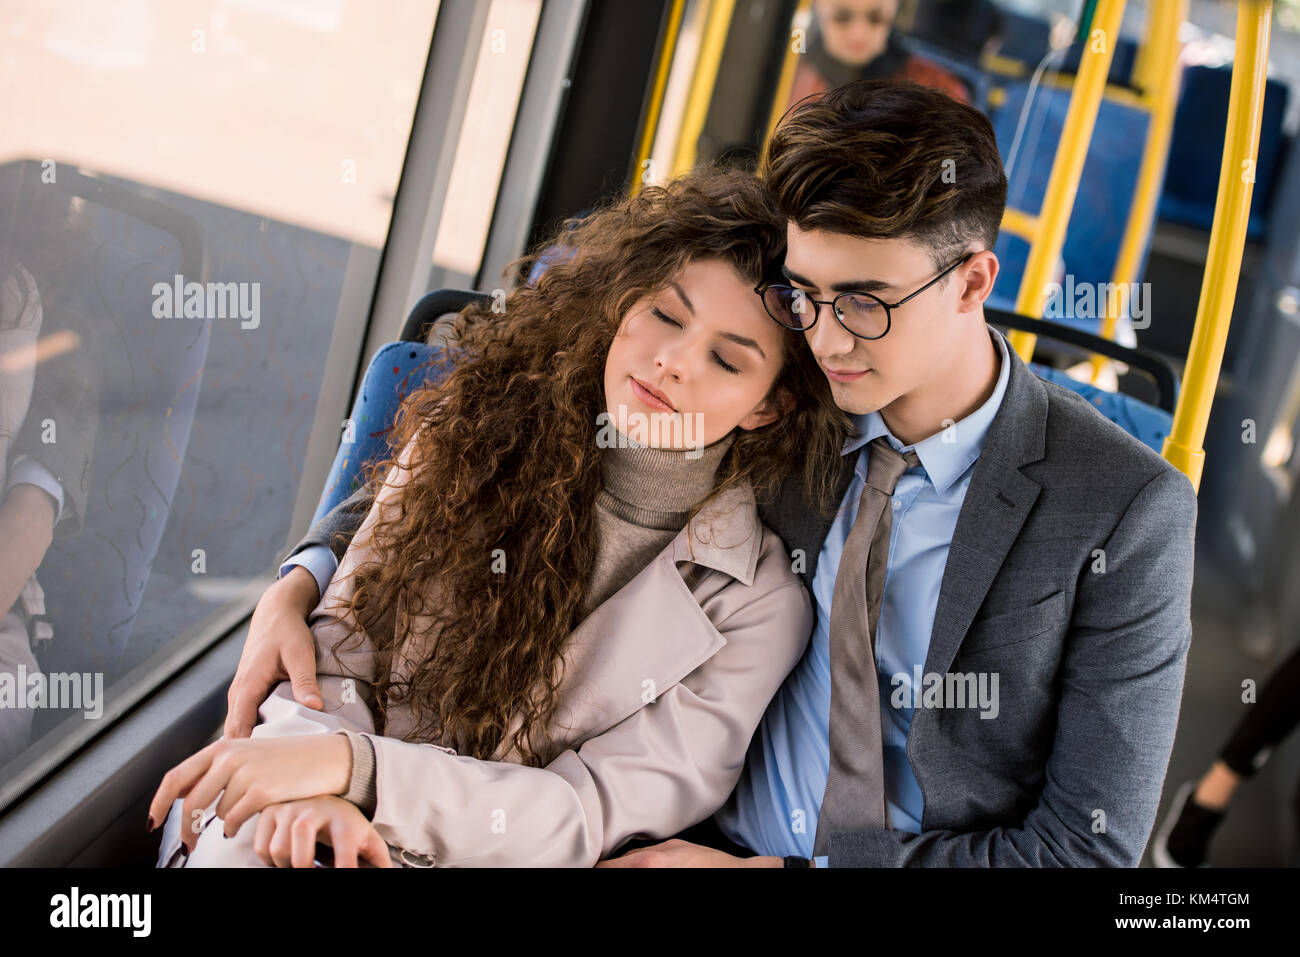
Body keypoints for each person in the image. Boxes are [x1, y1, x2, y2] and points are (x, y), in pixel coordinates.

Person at [215, 80, 1200, 869]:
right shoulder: (777, 402)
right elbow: (498, 385)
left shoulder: (1122, 510)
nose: (825, 336)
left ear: (974, 282)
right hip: (674, 838)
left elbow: (1087, 845)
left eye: (862, 302)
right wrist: (305, 570)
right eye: (805, 296)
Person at [148, 165, 853, 868]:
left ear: (770, 406)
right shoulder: (468, 427)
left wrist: (360, 777)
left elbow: (586, 813)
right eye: (665, 315)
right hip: (296, 804)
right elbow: (333, 659)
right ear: (622, 301)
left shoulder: (757, 607)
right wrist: (308, 786)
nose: (671, 361)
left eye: (727, 361)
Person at [786, 0, 970, 110]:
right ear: (819, 10)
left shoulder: (936, 87)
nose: (859, 33)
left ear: (895, 12)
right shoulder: (787, 82)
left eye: (876, 18)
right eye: (842, 17)